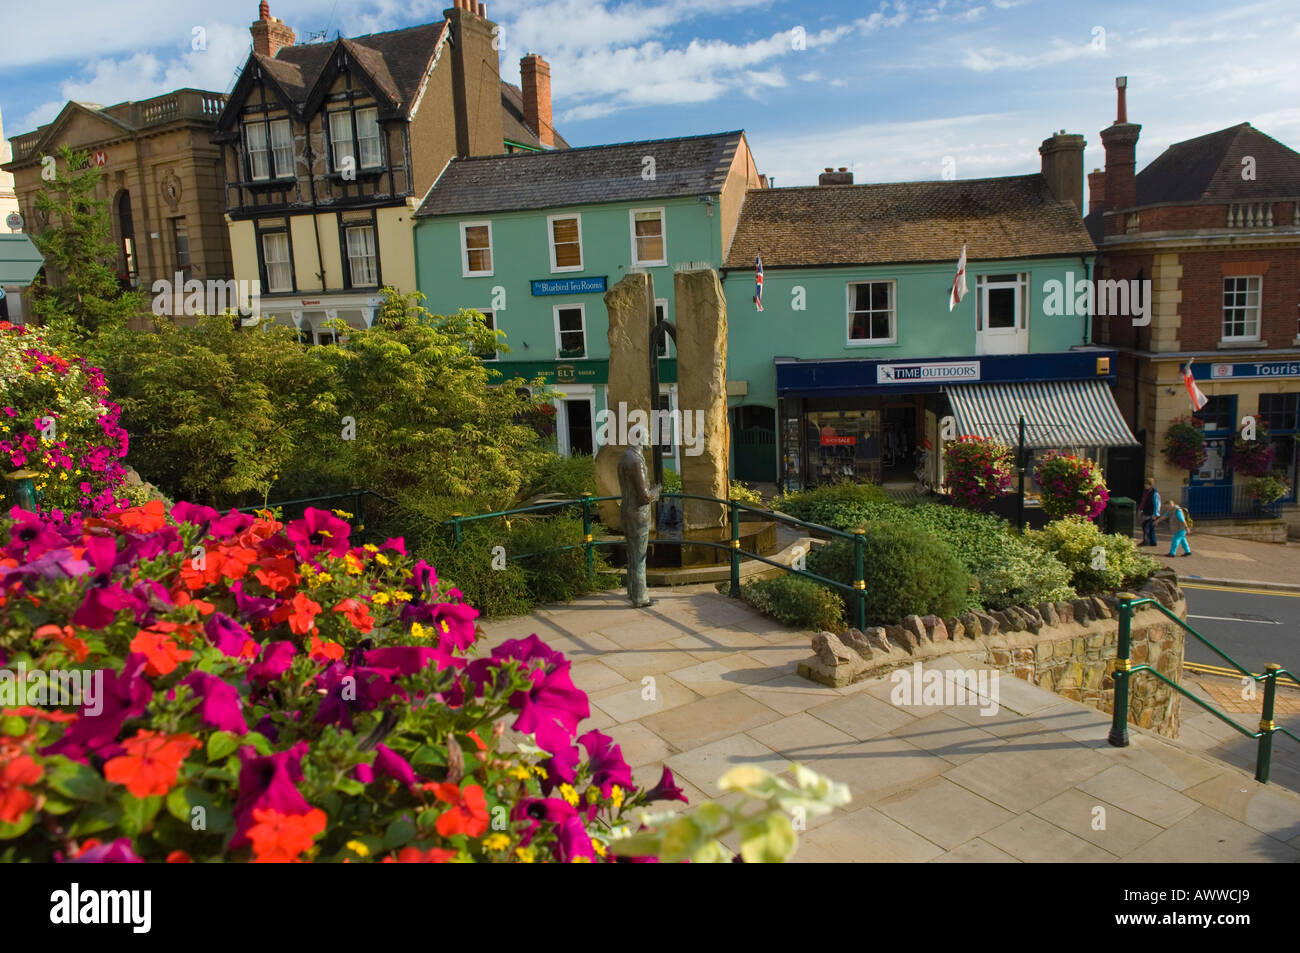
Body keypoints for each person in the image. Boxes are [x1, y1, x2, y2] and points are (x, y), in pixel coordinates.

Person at [1138, 477, 1161, 546]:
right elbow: (1143, 501)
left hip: (1151, 513)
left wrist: (1155, 514)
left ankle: (1147, 541)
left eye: (1147, 484)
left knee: (1146, 527)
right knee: (1150, 527)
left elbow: (1157, 504)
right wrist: (1141, 509)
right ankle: (1153, 542)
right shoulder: (1147, 492)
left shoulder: (1154, 493)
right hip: (1146, 512)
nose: (1145, 486)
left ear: (1151, 485)